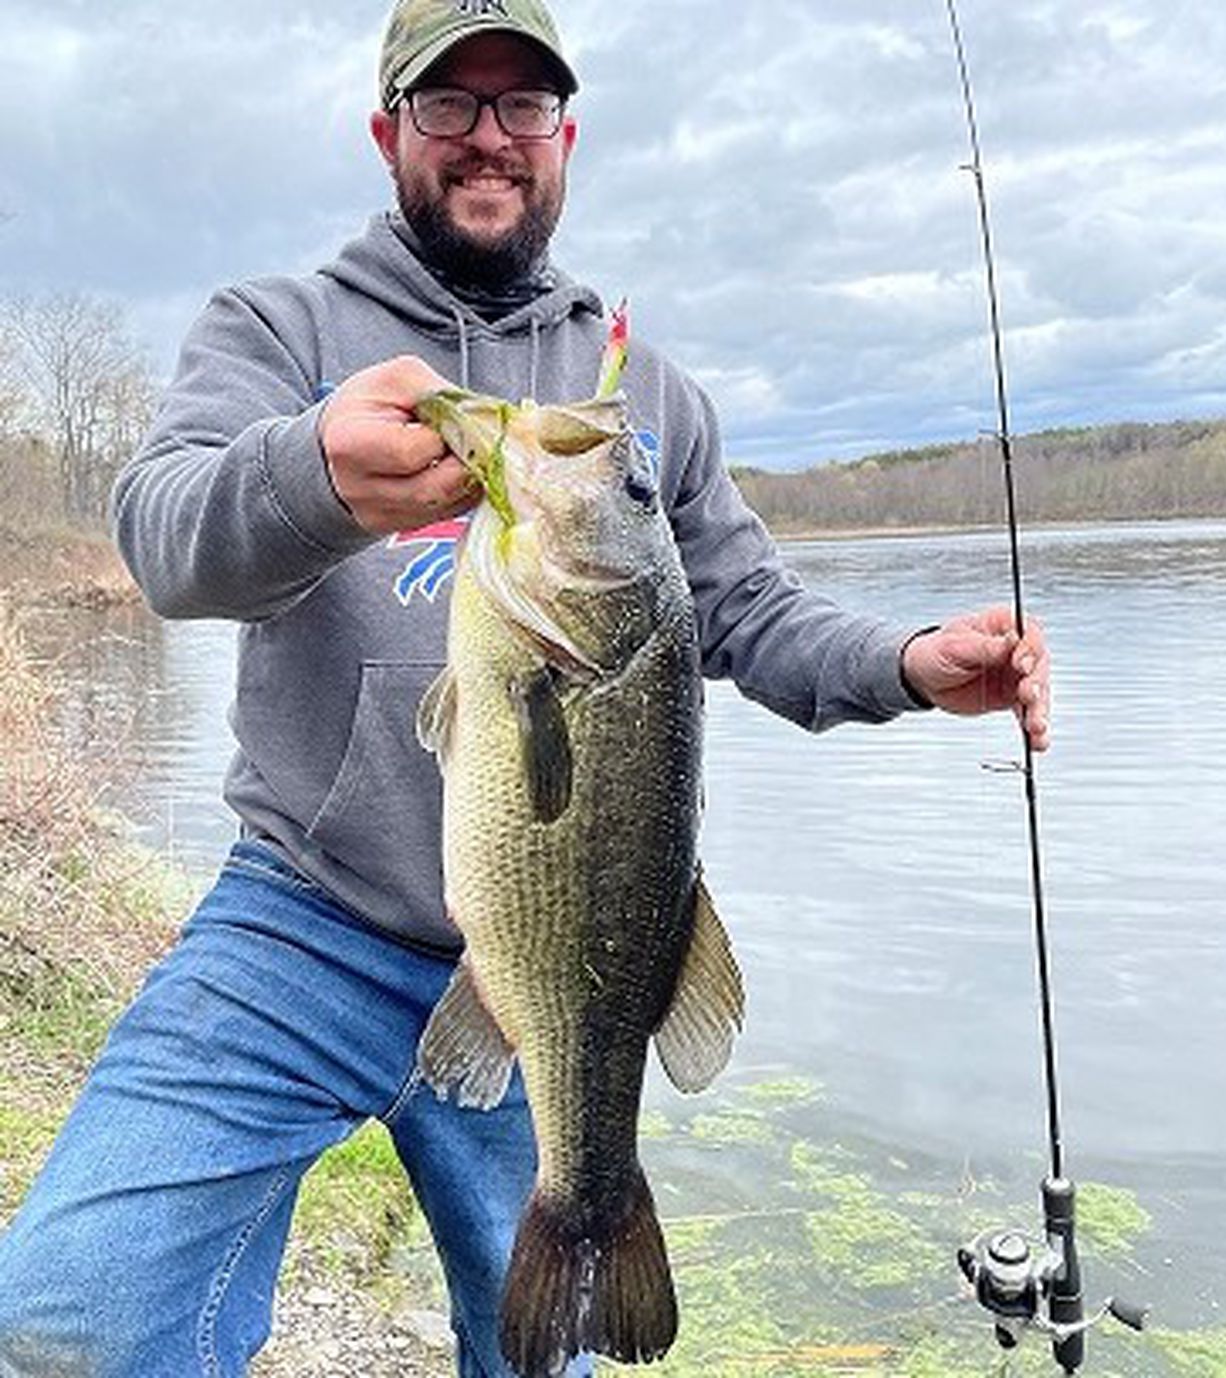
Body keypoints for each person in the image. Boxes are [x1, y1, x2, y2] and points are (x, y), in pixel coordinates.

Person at [0, 1, 1050, 1375]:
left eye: (524, 106)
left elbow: (747, 611)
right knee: (68, 1315)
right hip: (301, 920)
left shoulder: (642, 394)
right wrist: (312, 469)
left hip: (564, 961)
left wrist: (908, 664)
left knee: (541, 1350)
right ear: (390, 134)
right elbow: (164, 538)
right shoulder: (277, 328)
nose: (490, 138)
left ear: (566, 139)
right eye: (450, 104)